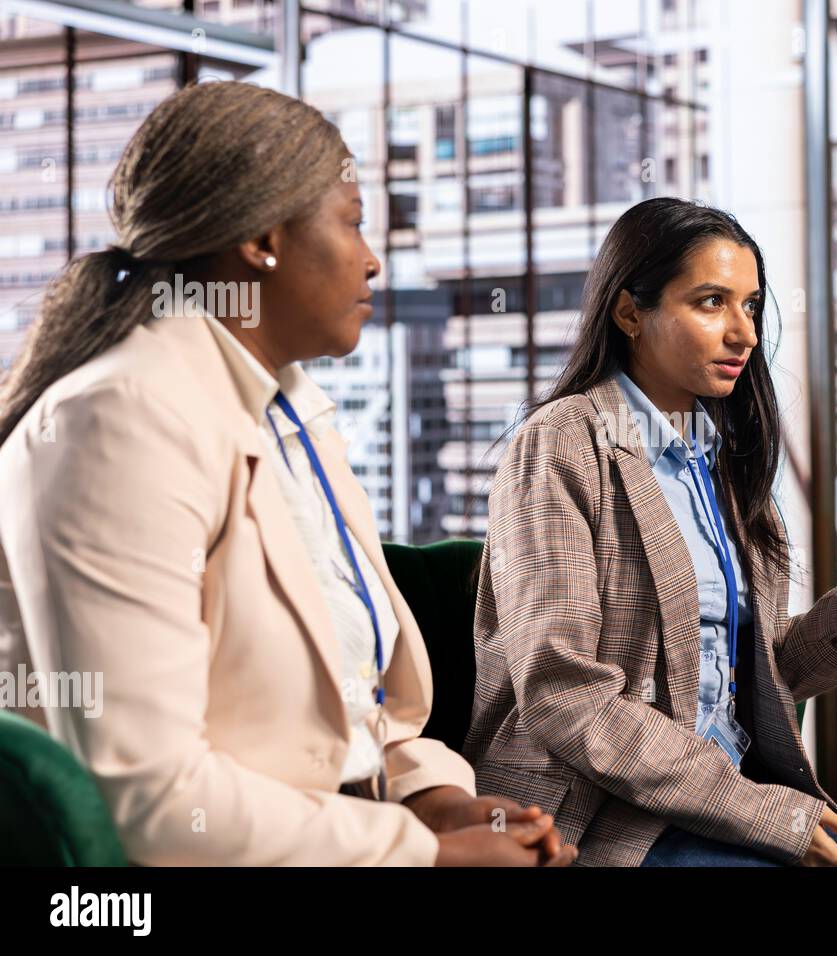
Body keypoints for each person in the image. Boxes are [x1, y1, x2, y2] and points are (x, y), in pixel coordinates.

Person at [0, 81, 574, 866]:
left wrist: (435, 798)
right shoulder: (118, 422)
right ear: (263, 240)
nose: (371, 260)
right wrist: (421, 854)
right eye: (352, 222)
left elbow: (357, 711)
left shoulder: (295, 417)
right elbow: (153, 804)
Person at [464, 197, 837, 866]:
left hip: (723, 801)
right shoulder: (562, 444)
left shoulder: (717, 462)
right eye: (711, 303)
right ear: (629, 312)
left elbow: (767, 670)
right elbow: (564, 695)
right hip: (607, 818)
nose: (745, 334)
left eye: (751, 306)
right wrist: (764, 811)